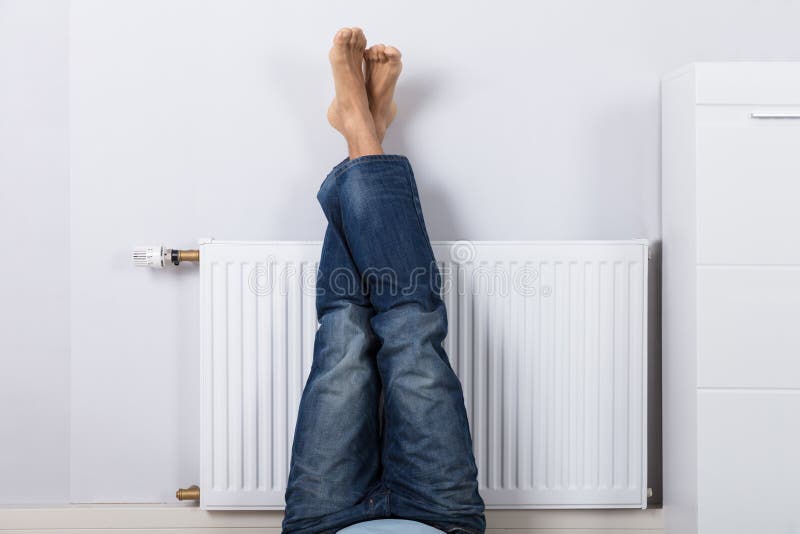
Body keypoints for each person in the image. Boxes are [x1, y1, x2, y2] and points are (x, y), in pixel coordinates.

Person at [282, 28, 485, 534]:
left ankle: (362, 129)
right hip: (441, 519)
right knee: (411, 331)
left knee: (345, 335)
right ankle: (362, 128)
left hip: (322, 523)